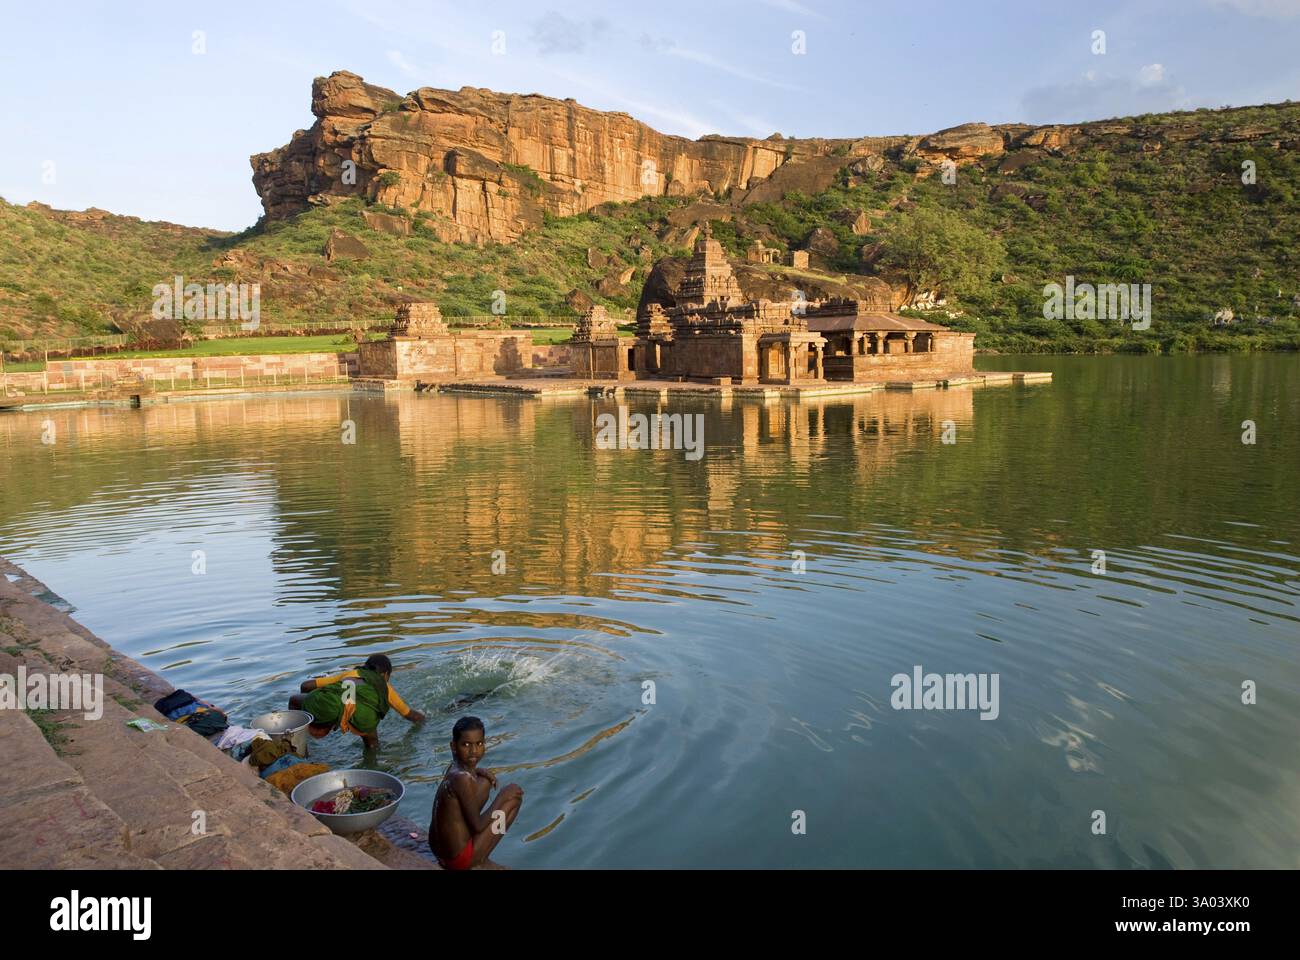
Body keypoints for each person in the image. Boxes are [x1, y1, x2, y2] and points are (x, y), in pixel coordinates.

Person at [429, 716, 524, 870]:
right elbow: (478, 826)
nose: (474, 751)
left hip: (439, 852)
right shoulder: (462, 779)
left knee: (485, 782)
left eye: (479, 744)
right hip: (458, 861)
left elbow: (464, 778)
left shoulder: (454, 770)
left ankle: (474, 851)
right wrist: (503, 795)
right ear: (453, 746)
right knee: (513, 801)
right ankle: (479, 860)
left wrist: (478, 770)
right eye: (466, 745)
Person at [288, 654, 424, 749]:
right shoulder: (387, 688)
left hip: (328, 707)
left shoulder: (351, 673)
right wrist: (426, 719)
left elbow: (305, 686)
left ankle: (296, 743)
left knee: (294, 701)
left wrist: (310, 712)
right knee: (372, 740)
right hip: (362, 718)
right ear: (385, 674)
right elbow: (409, 715)